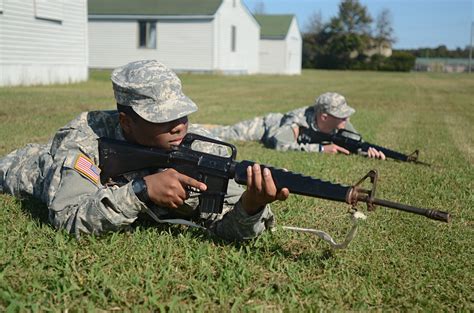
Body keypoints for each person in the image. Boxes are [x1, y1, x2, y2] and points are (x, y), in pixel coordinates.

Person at [0, 60, 289, 240]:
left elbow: (227, 229)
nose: (179, 127)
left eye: (182, 114)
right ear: (126, 122)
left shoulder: (197, 146)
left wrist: (252, 206)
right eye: (162, 118)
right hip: (23, 166)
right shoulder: (84, 140)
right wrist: (141, 191)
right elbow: (69, 219)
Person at [205, 92, 386, 159]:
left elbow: (355, 142)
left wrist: (367, 150)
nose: (346, 119)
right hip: (266, 127)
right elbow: (278, 143)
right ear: (324, 117)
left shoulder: (340, 123)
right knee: (226, 133)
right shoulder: (297, 121)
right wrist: (321, 150)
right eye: (341, 115)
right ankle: (199, 127)